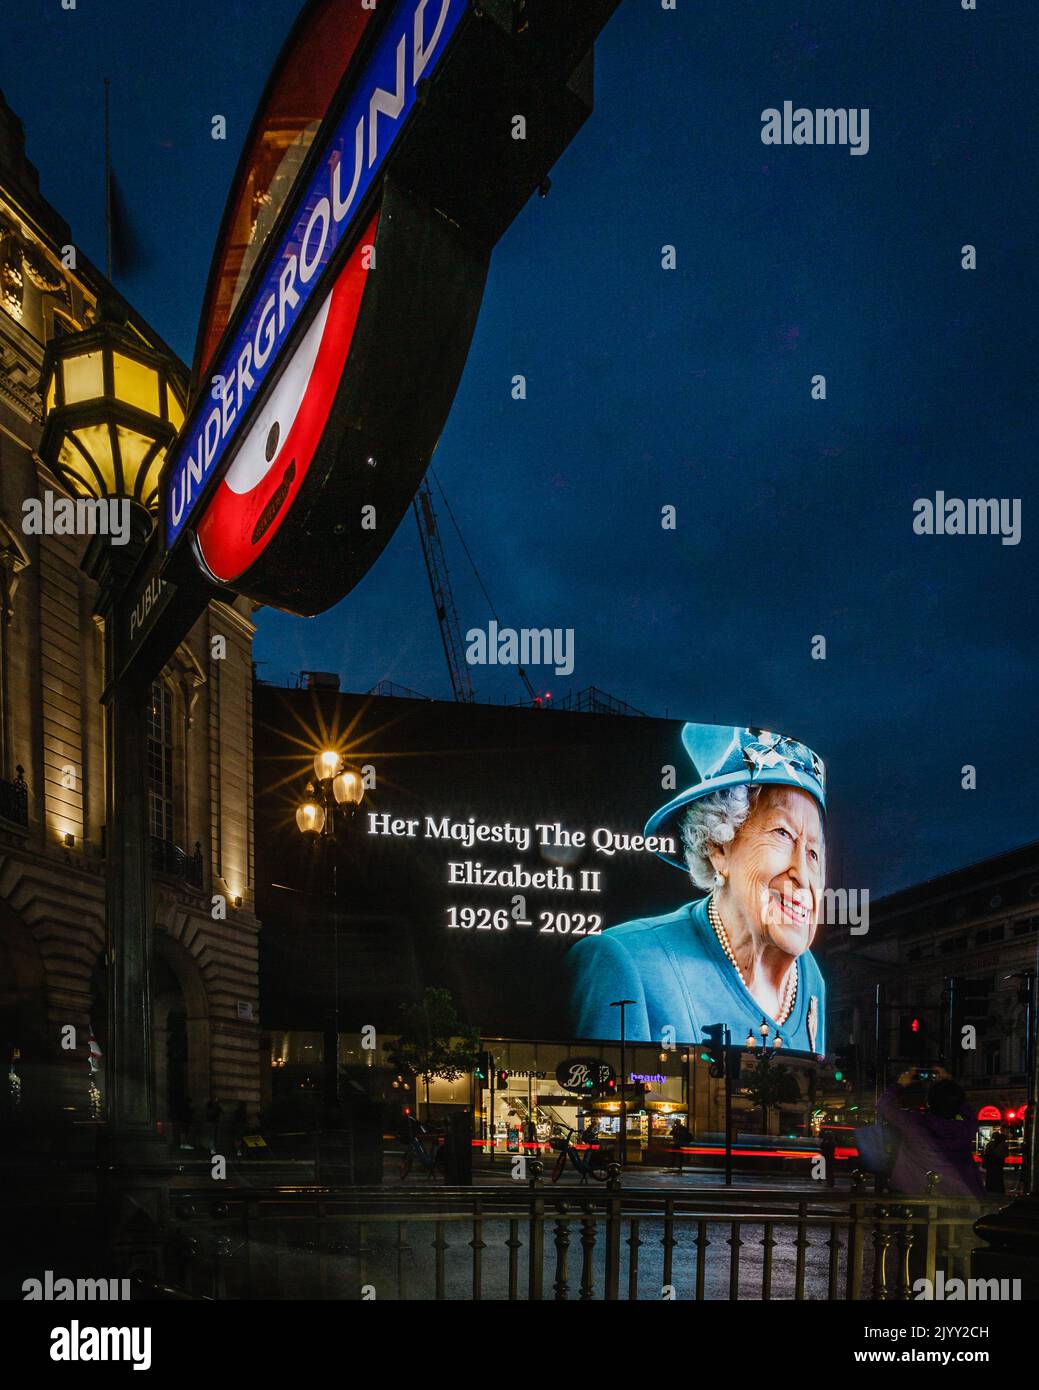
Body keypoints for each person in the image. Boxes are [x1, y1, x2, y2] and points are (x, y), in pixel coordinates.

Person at [565, 724, 828, 1053]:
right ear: (719, 847)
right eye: (782, 834)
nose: (803, 874)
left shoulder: (810, 978)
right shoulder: (623, 963)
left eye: (814, 852)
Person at [877, 1069, 984, 1200]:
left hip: (917, 1194)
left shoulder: (915, 1123)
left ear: (928, 1103)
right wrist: (950, 1086)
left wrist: (899, 1084)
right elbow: (964, 1108)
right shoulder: (966, 1129)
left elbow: (884, 1105)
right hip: (960, 1196)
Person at [982, 1126, 1009, 1195]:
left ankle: (991, 1188)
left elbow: (986, 1153)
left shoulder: (990, 1144)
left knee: (991, 1177)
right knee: (998, 1177)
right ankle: (998, 1189)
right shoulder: (1003, 1145)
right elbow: (1005, 1154)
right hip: (998, 1163)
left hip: (992, 1163)